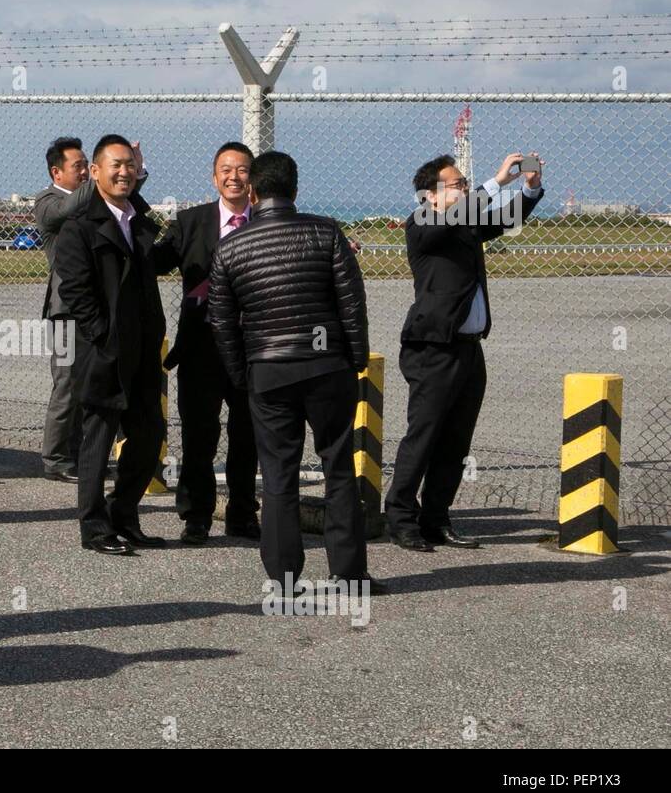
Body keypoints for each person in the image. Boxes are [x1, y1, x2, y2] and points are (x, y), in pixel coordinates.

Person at [209, 151, 385, 594]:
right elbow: (351, 303)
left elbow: (222, 321)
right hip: (328, 368)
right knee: (339, 469)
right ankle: (349, 575)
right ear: (297, 189)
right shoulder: (325, 232)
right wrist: (357, 358)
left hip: (267, 372)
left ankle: (285, 580)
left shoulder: (231, 247)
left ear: (253, 191)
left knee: (278, 474)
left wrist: (241, 373)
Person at [386, 152, 545, 551]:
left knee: (456, 442)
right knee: (424, 436)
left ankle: (436, 519)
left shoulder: (466, 225)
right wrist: (496, 182)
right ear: (430, 196)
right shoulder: (421, 223)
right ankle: (401, 517)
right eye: (457, 184)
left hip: (470, 350)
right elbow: (463, 214)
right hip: (433, 348)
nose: (465, 188)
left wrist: (529, 187)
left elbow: (509, 219)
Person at [54, 135, 167, 555]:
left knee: (149, 432)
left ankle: (124, 513)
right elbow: (77, 292)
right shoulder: (79, 227)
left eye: (130, 165)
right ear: (95, 172)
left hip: (142, 349)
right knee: (97, 440)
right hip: (103, 351)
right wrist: (102, 336)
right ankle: (95, 527)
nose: (124, 171)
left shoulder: (138, 220)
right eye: (115, 165)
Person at [151, 141, 260, 545]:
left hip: (252, 349)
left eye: (243, 170)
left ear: (253, 179)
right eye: (226, 170)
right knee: (199, 436)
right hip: (202, 347)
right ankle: (196, 514)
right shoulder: (191, 221)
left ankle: (243, 514)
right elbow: (155, 260)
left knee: (248, 435)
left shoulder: (266, 220)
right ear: (214, 178)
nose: (234, 177)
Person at [34, 137, 150, 483]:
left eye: (88, 165)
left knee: (97, 383)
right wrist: (105, 175)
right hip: (68, 310)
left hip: (100, 308)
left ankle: (82, 454)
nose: (85, 172)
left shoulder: (91, 198)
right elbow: (74, 208)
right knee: (68, 383)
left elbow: (122, 197)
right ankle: (56, 458)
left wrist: (134, 171)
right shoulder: (48, 201)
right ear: (57, 172)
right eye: (79, 166)